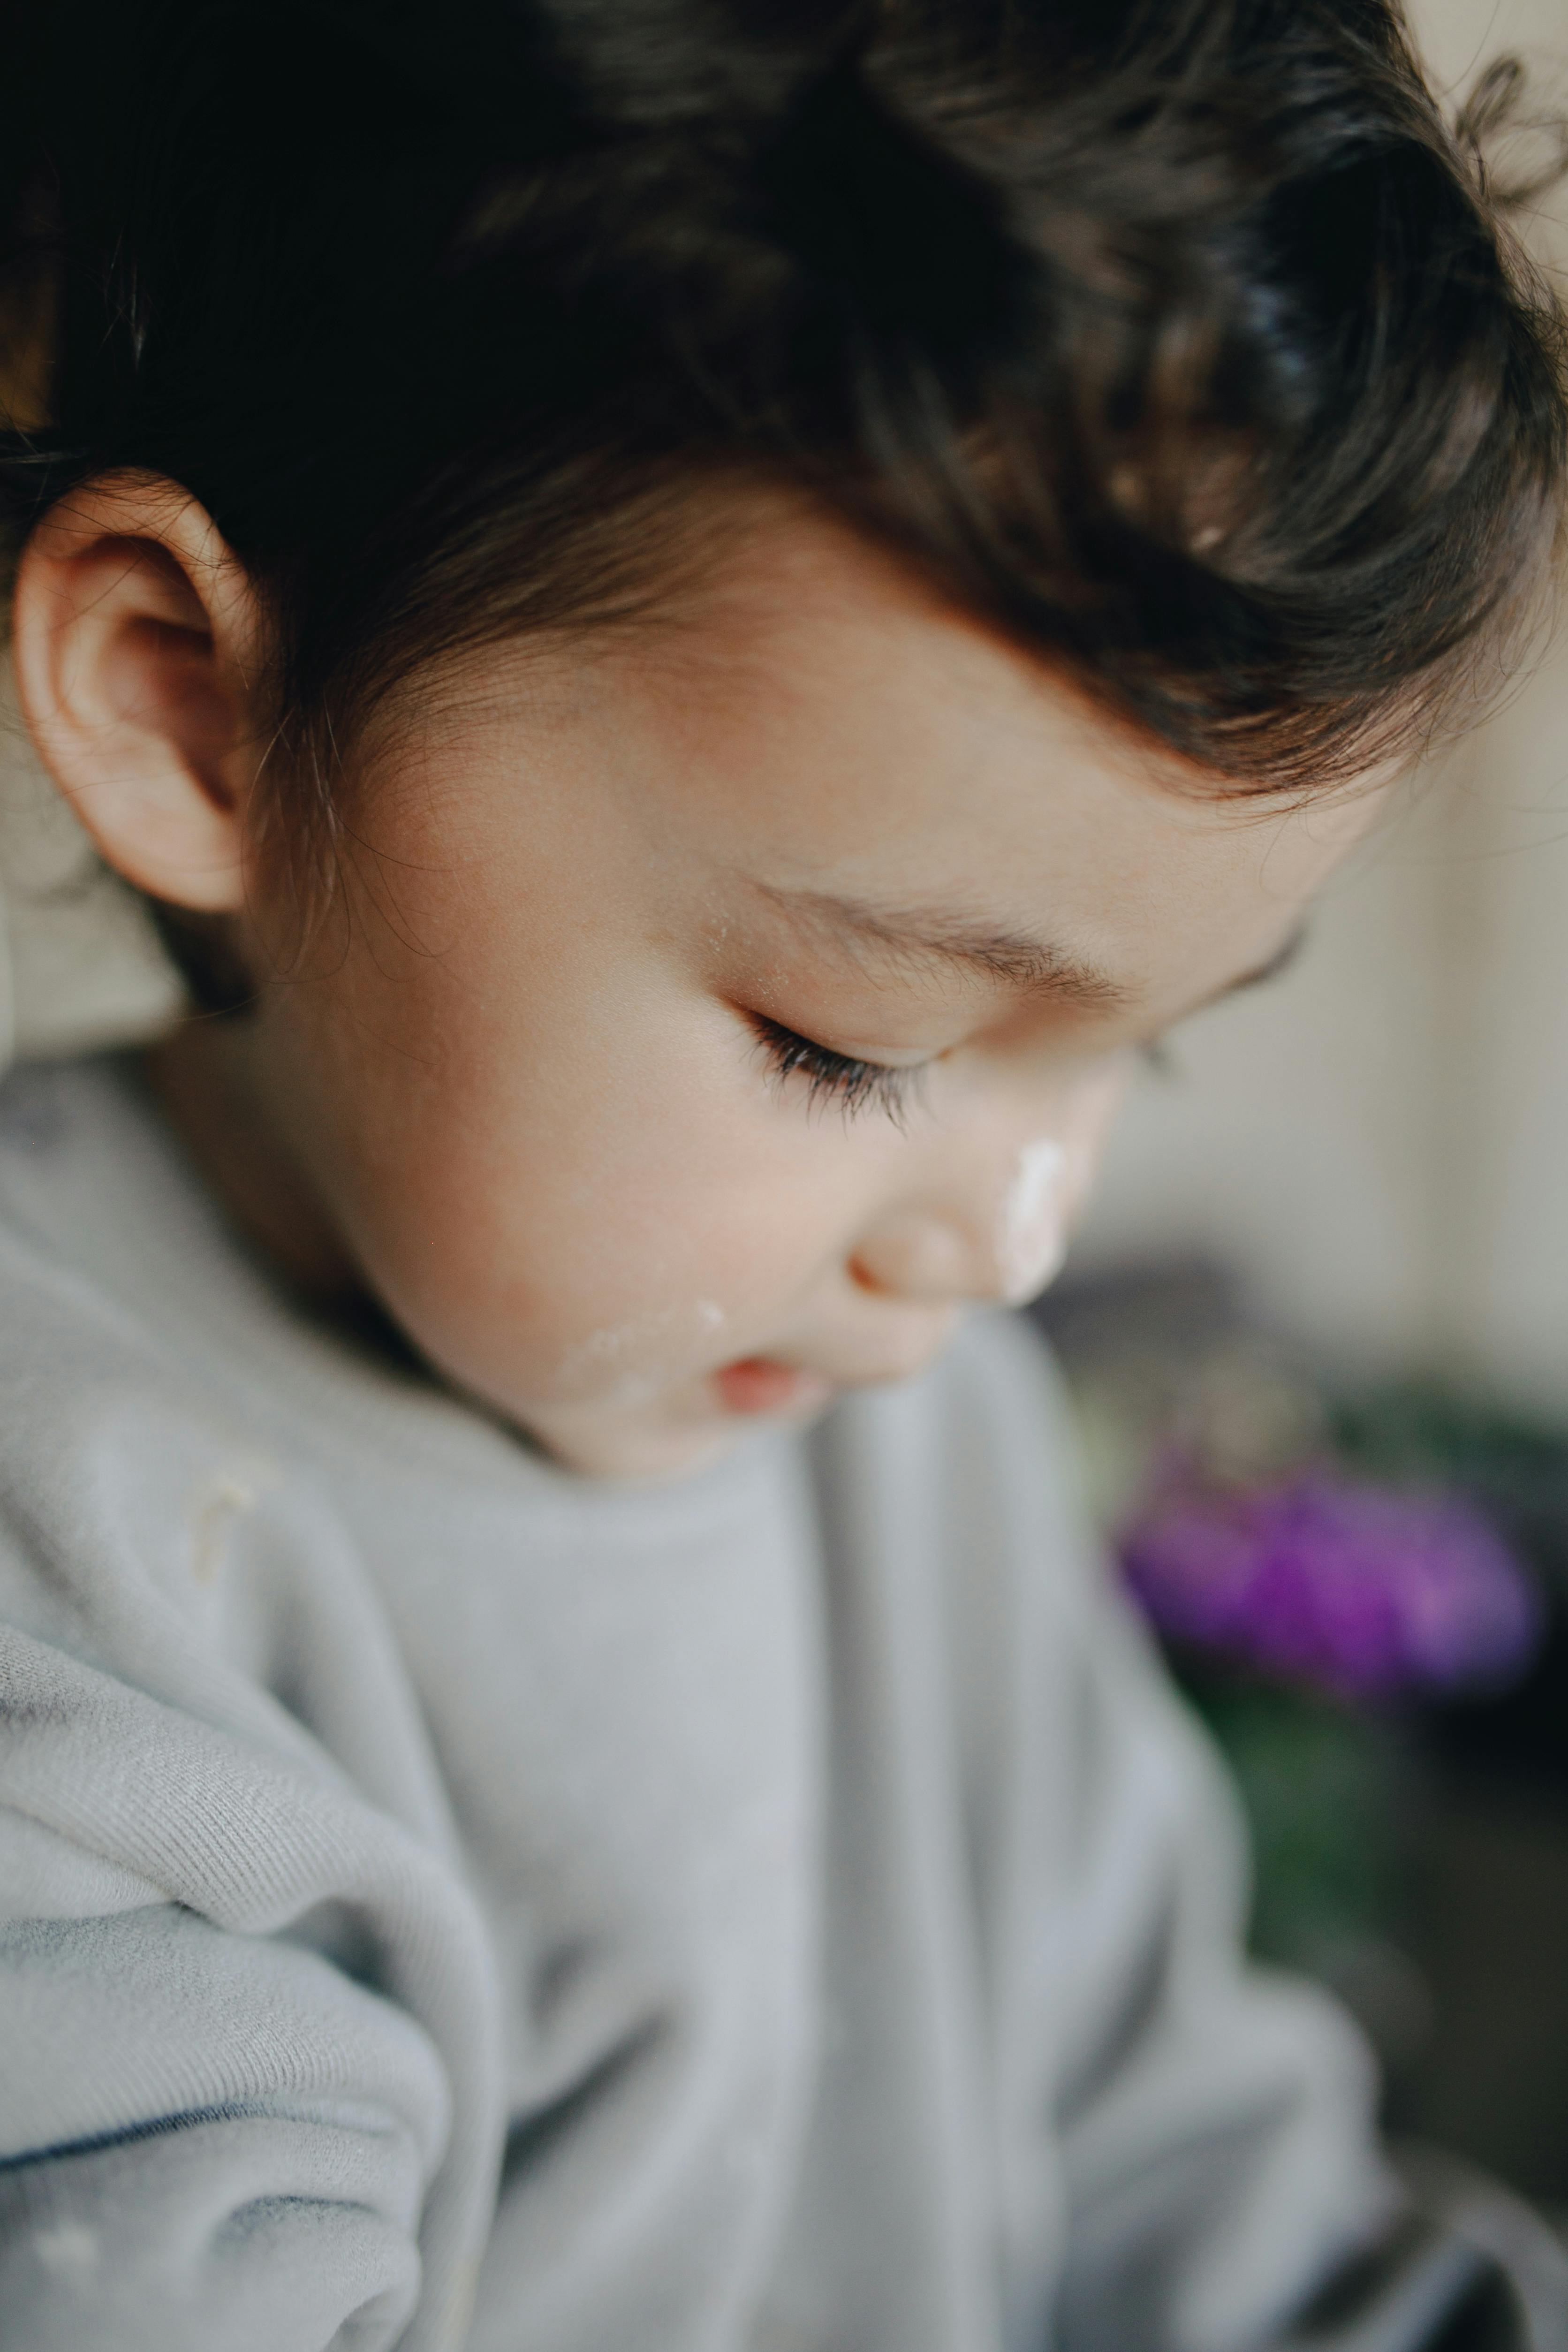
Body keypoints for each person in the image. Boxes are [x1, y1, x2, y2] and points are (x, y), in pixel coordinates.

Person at [0, 2, 1564, 2345]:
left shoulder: (888, 1437)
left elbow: (1189, 2194)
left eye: (1141, 1047)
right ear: (184, 705)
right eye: (852, 1045)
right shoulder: (71, 1571)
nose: (1011, 1244)